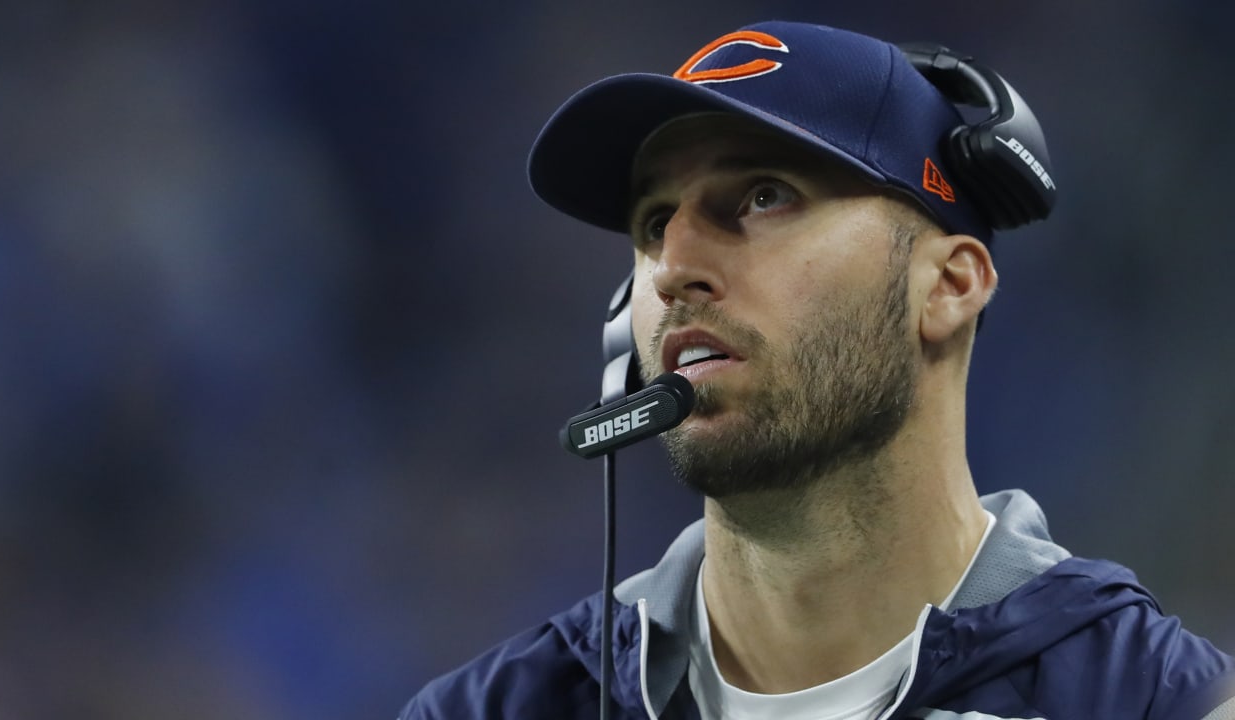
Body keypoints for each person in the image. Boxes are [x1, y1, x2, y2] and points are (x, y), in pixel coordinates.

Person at [400, 20, 1235, 719]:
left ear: (949, 286)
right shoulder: (492, 707)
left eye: (765, 196)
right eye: (655, 222)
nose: (671, 266)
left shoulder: (1158, 702)